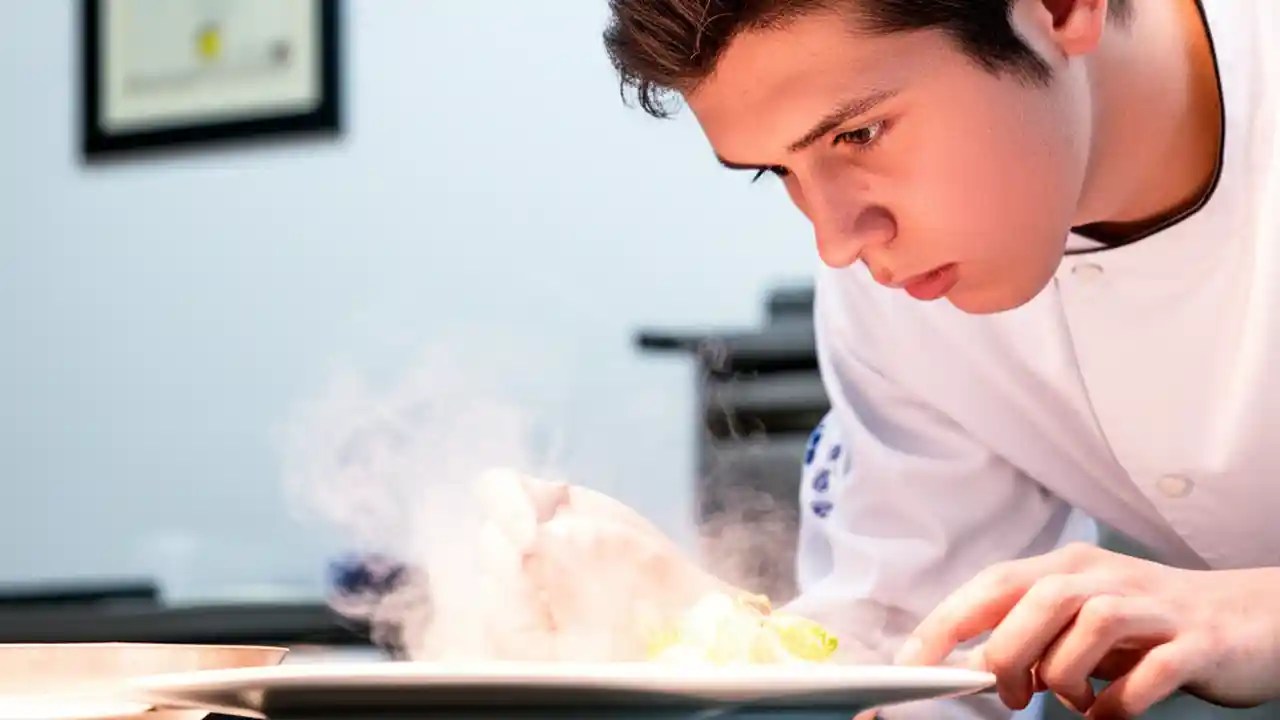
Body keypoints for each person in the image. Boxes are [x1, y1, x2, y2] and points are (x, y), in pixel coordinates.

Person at [475, 1, 1280, 718]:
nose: (837, 240)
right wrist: (684, 618)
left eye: (859, 133)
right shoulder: (898, 293)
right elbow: (918, 663)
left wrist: (1261, 612)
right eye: (777, 171)